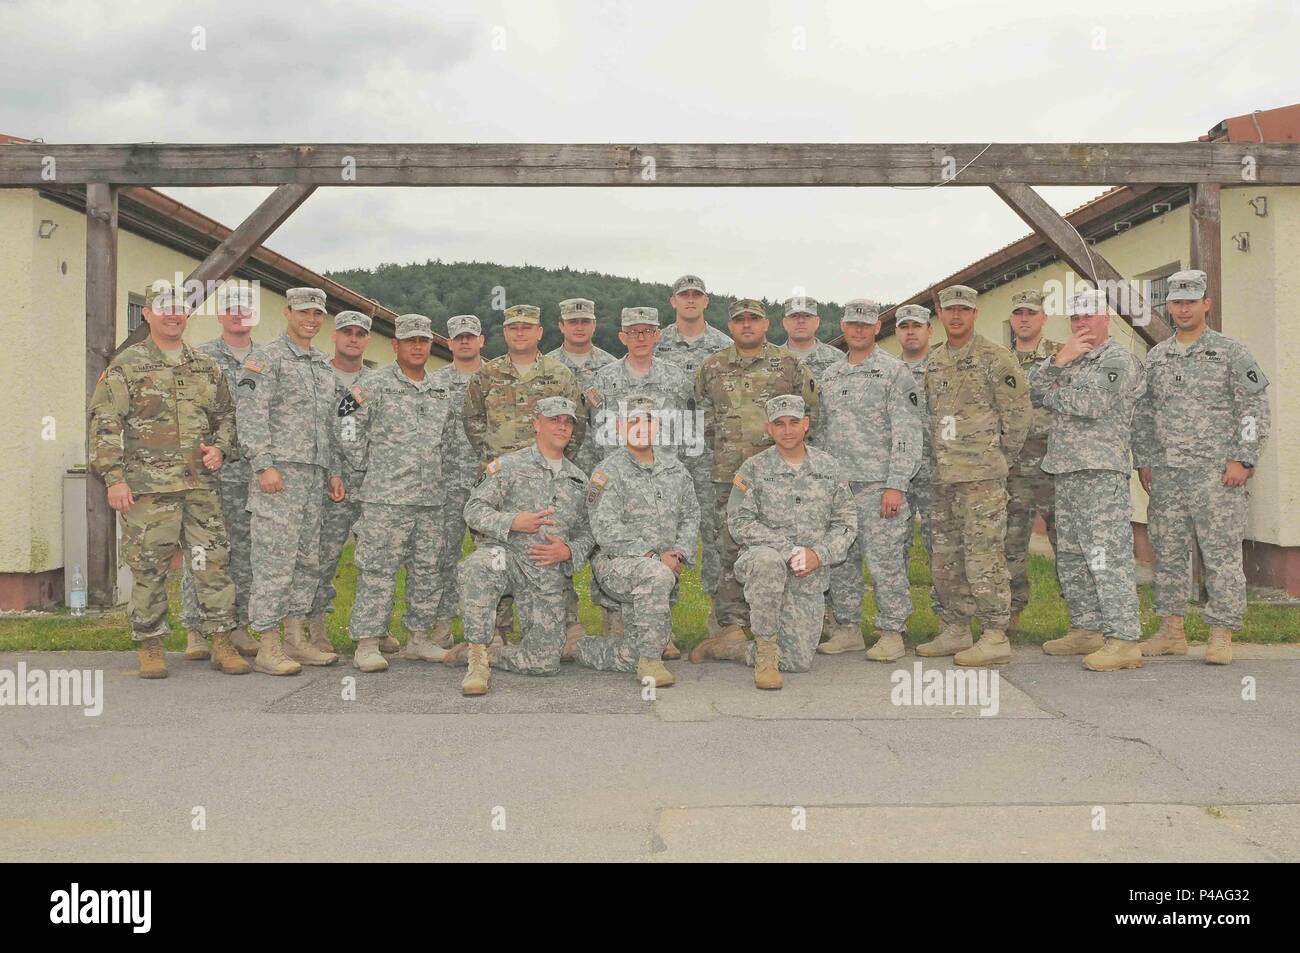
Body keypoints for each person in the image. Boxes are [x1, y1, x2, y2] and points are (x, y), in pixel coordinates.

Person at [89, 282, 244, 678]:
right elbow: (105, 423)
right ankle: (151, 644)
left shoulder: (207, 366)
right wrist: (113, 478)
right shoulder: (127, 365)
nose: (173, 314)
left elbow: (227, 416)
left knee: (211, 563)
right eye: (163, 307)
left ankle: (222, 640)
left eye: (179, 307)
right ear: (147, 313)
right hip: (147, 490)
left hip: (200, 487)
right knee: (148, 567)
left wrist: (221, 449)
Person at [1133, 269, 1271, 665]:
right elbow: (1144, 413)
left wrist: (1243, 458)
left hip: (1217, 475)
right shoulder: (1157, 356)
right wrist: (1144, 460)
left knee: (1221, 554)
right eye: (1177, 302)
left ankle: (1221, 633)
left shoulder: (1231, 352)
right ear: (1169, 306)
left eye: (1191, 301)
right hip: (1168, 474)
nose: (1183, 308)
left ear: (1206, 304)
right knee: (1168, 552)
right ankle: (1172, 631)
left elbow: (1253, 409)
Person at [693, 395, 855, 690]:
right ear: (769, 428)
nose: (787, 430)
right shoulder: (753, 469)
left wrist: (819, 554)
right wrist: (786, 549)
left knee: (797, 662)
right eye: (779, 424)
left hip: (809, 573)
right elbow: (739, 521)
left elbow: (846, 524)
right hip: (764, 564)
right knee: (767, 560)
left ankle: (729, 648)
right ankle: (765, 653)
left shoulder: (829, 468)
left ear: (806, 424)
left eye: (794, 422)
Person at [688, 299, 819, 662]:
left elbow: (812, 415)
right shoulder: (712, 366)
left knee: (782, 544)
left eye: (754, 319)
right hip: (728, 476)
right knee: (728, 549)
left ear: (766, 324)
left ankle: (786, 620)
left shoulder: (789, 365)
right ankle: (730, 625)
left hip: (779, 477)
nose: (747, 325)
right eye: (739, 320)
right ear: (730, 326)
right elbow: (700, 418)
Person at [445, 397, 595, 696]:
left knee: (544, 663)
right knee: (480, 565)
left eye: (568, 422)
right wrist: (513, 521)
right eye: (554, 420)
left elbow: (589, 533)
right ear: (537, 423)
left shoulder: (579, 480)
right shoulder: (509, 466)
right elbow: (474, 509)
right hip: (507, 555)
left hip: (545, 571)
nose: (562, 427)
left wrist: (568, 552)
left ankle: (493, 654)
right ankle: (477, 657)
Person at [1030, 289, 1146, 671]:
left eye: (1088, 316)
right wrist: (1058, 362)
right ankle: (1087, 629)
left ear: (1105, 318)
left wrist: (1056, 387)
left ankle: (1124, 638)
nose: (1081, 324)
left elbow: (1093, 404)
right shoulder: (1070, 359)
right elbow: (1032, 390)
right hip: (1065, 469)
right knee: (1073, 554)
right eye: (1075, 318)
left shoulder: (1118, 360)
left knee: (1105, 555)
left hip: (1100, 472)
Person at [916, 285, 1031, 667]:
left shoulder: (995, 359)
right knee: (946, 557)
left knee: (985, 556)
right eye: (950, 310)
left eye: (964, 310)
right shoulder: (934, 363)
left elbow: (1017, 418)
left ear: (975, 313)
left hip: (981, 477)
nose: (956, 316)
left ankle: (996, 633)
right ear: (940, 314)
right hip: (943, 476)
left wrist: (997, 459)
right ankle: (956, 627)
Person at [236, 287, 346, 676]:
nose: (311, 320)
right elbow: (250, 415)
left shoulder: (322, 365)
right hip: (279, 476)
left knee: (306, 560)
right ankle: (268, 645)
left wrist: (333, 471)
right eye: (304, 312)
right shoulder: (266, 359)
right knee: (274, 561)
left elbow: (331, 425)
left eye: (318, 314)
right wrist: (263, 465)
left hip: (314, 477)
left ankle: (297, 639)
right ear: (287, 313)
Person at [462, 303, 586, 644]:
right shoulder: (485, 376)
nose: (520, 332)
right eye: (514, 327)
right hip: (503, 484)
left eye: (527, 327)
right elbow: (472, 422)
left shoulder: (560, 375)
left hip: (548, 482)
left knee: (550, 549)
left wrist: (556, 464)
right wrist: (492, 459)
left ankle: (562, 623)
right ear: (505, 333)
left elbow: (576, 426)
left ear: (539, 332)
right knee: (496, 552)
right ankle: (496, 632)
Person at [340, 315, 454, 672]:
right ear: (395, 345)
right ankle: (368, 643)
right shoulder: (371, 384)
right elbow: (344, 420)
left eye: (423, 341)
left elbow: (448, 439)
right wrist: (365, 461)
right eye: (410, 341)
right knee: (378, 569)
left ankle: (419, 639)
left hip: (430, 499)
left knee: (427, 569)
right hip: (386, 498)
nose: (418, 347)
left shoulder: (441, 389)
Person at [816, 298, 922, 661]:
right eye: (852, 324)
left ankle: (892, 631)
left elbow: (907, 432)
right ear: (843, 327)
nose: (858, 330)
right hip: (838, 488)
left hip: (879, 485)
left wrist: (896, 484)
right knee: (841, 561)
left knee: (884, 561)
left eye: (866, 324)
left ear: (878, 328)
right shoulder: (829, 376)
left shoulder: (894, 372)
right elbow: (820, 433)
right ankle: (848, 628)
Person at [586, 306, 695, 655]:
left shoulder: (677, 378)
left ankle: (661, 629)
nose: (641, 337)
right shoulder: (604, 379)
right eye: (633, 332)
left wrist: (680, 471)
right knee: (619, 544)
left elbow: (688, 431)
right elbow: (597, 435)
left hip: (664, 477)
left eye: (648, 331)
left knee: (663, 545)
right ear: (622, 337)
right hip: (622, 480)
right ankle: (616, 620)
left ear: (658, 334)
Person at [572, 395, 698, 687]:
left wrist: (678, 553)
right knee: (654, 574)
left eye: (648, 420)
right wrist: (653, 556)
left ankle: (582, 648)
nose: (641, 426)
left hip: (663, 565)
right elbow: (605, 529)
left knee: (629, 653)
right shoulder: (608, 472)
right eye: (634, 420)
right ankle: (651, 663)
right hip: (617, 565)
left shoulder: (675, 469)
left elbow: (692, 514)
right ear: (619, 426)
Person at [179, 282, 261, 662]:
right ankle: (195, 628)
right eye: (231, 306)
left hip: (253, 471)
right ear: (218, 312)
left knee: (244, 549)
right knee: (202, 548)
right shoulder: (201, 357)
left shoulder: (267, 358)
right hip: (210, 468)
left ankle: (237, 624)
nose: (238, 312)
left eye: (246, 306)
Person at [654, 275, 733, 632]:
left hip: (710, 456)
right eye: (683, 295)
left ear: (706, 301)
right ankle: (660, 623)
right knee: (662, 534)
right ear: (673, 301)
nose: (690, 300)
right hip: (665, 455)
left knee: (717, 534)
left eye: (696, 295)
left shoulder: (724, 347)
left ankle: (722, 619)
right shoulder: (656, 344)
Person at [311, 310, 383, 664]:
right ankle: (315, 628)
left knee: (376, 557)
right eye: (346, 332)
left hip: (372, 481)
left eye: (360, 333)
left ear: (367, 340)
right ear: (334, 336)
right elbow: (318, 428)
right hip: (330, 480)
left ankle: (373, 628)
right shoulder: (316, 374)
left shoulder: (375, 382)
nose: (353, 338)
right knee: (324, 556)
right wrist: (334, 469)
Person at [427, 314, 486, 650]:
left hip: (486, 484)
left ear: (481, 341)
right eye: (458, 337)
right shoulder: (434, 382)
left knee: (490, 557)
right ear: (449, 343)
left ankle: (489, 631)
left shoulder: (496, 378)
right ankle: (440, 627)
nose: (465, 342)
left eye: (471, 336)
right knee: (442, 557)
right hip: (445, 482)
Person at [1005, 288, 1063, 631]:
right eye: (1018, 313)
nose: (1024, 319)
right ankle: (1009, 615)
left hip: (1054, 464)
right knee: (1009, 542)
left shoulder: (1061, 354)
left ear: (1043, 317)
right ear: (1012, 319)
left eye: (1031, 313)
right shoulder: (1000, 359)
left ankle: (1083, 622)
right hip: (1013, 467)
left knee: (1067, 542)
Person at [895, 304, 942, 616]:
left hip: (936, 472)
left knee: (939, 547)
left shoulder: (943, 367)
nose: (910, 331)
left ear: (929, 330)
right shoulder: (888, 371)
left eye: (917, 325)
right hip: (897, 473)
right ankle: (895, 620)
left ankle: (948, 619)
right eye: (904, 326)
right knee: (894, 547)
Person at [547, 297, 616, 476]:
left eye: (585, 322)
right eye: (572, 322)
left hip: (604, 466)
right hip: (557, 466)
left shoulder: (613, 368)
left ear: (594, 325)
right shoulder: (546, 368)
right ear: (561, 325)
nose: (579, 327)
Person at [779, 296, 842, 380]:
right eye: (794, 316)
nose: (801, 321)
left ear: (817, 322)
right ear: (785, 323)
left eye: (807, 316)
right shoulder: (770, 359)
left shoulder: (838, 359)